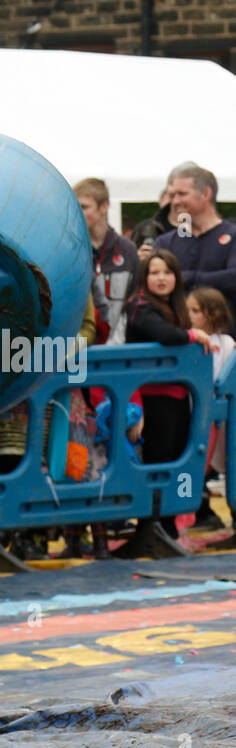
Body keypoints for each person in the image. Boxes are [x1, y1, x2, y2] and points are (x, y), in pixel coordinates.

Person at [125, 249, 210, 539]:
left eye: (167, 272)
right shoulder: (139, 307)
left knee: (177, 458)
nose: (161, 278)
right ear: (144, 278)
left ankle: (170, 525)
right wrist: (192, 335)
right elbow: (164, 335)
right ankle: (151, 527)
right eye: (154, 272)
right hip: (151, 399)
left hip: (177, 397)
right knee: (157, 460)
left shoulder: (177, 308)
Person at [154, 164, 236, 322]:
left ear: (206, 193)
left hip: (228, 341)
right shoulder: (165, 242)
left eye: (182, 194)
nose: (175, 201)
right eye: (172, 195)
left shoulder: (232, 236)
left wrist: (190, 278)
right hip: (179, 340)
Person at [185, 286, 235, 531]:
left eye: (196, 311)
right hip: (197, 417)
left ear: (213, 314)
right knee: (197, 467)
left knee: (223, 464)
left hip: (222, 419)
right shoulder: (188, 341)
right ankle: (199, 513)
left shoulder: (226, 344)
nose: (190, 315)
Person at [74, 178, 138, 342]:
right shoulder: (71, 250)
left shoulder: (127, 250)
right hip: (81, 348)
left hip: (120, 348)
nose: (78, 213)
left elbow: (134, 302)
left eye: (84, 207)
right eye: (76, 207)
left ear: (104, 206)